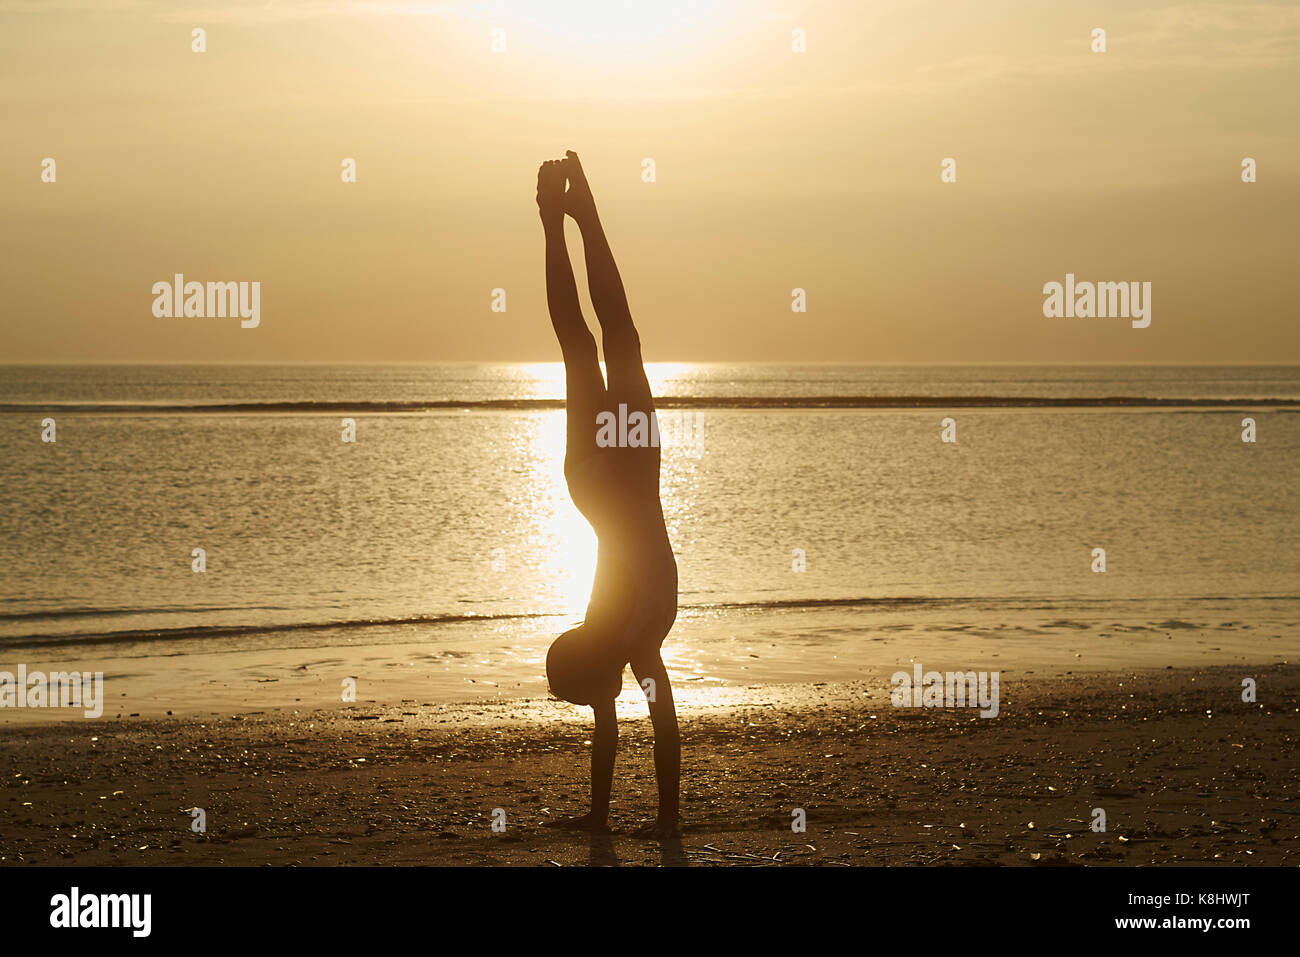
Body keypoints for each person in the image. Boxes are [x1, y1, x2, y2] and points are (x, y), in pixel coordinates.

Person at [536, 150, 681, 839]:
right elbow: (656, 719)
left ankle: (566, 219)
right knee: (592, 342)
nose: (605, 699)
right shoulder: (624, 636)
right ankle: (563, 219)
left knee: (602, 341)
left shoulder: (627, 634)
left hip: (618, 476)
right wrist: (661, 821)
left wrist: (644, 819)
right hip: (598, 478)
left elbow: (651, 720)